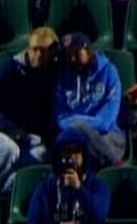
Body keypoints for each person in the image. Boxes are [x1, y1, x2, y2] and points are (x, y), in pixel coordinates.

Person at [23, 128, 120, 224]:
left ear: (84, 155)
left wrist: (79, 189)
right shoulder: (45, 189)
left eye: (75, 152)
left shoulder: (97, 186)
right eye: (65, 152)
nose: (70, 158)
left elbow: (99, 214)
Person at [0, 27, 61, 194]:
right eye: (35, 49)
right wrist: (15, 132)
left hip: (26, 141)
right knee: (9, 150)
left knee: (43, 156)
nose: (39, 55)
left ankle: (2, 187)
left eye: (44, 51)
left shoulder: (49, 76)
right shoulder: (9, 69)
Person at [53, 32, 126, 171]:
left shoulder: (109, 72)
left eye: (76, 53)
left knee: (78, 142)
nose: (72, 58)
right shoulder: (62, 76)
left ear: (88, 50)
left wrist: (78, 123)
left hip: (109, 138)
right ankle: (114, 166)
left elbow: (106, 122)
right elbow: (60, 118)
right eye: (68, 55)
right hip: (73, 137)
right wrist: (78, 126)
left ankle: (112, 164)